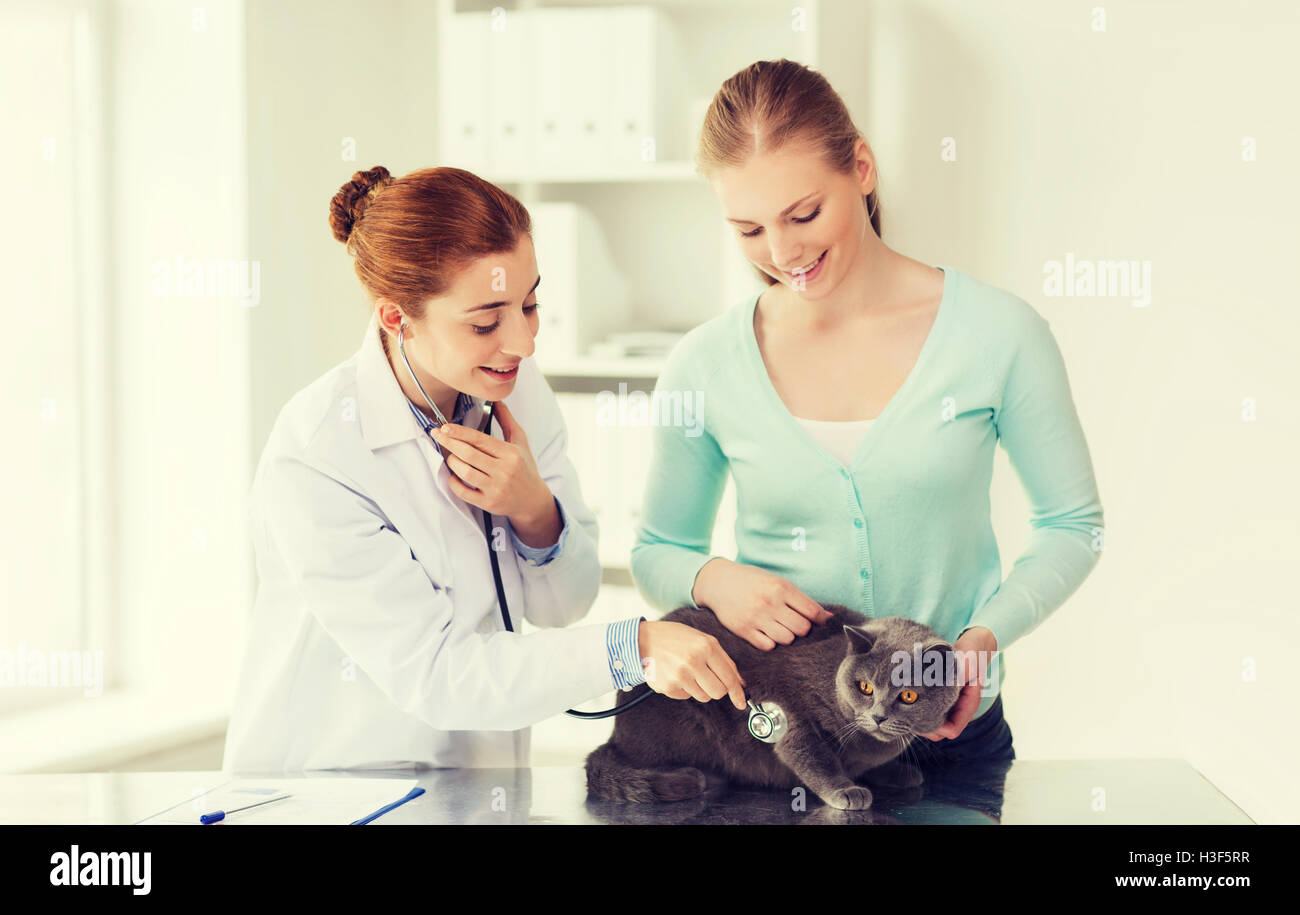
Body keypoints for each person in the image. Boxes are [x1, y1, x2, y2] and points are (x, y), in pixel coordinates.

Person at [630, 59, 1105, 774]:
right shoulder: (704, 364)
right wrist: (713, 580)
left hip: (946, 737)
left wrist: (980, 639)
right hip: (780, 750)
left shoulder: (1000, 334)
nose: (782, 253)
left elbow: (1074, 524)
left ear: (862, 168)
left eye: (804, 213)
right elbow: (658, 546)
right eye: (749, 229)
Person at [223, 165, 745, 773]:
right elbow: (437, 674)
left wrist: (533, 511)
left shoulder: (513, 391)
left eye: (530, 304)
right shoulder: (319, 456)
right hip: (332, 787)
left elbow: (563, 605)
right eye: (485, 321)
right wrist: (633, 647)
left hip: (475, 784)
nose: (523, 342)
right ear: (396, 317)